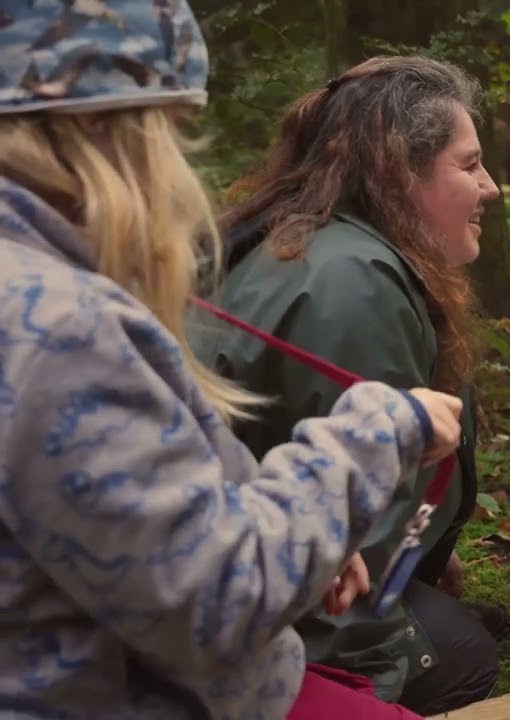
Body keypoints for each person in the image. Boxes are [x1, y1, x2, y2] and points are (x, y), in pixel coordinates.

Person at [0, 3, 464, 719]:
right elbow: (215, 600)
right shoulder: (60, 330)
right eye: (172, 130)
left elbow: (146, 507)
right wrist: (379, 433)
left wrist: (301, 524)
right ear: (105, 128)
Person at [195, 56, 501, 716]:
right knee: (466, 655)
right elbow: (360, 514)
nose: (491, 187)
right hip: (254, 614)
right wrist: (366, 689)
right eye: (471, 164)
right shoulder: (355, 286)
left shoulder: (312, 242)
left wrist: (422, 562)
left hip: (237, 568)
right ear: (401, 172)